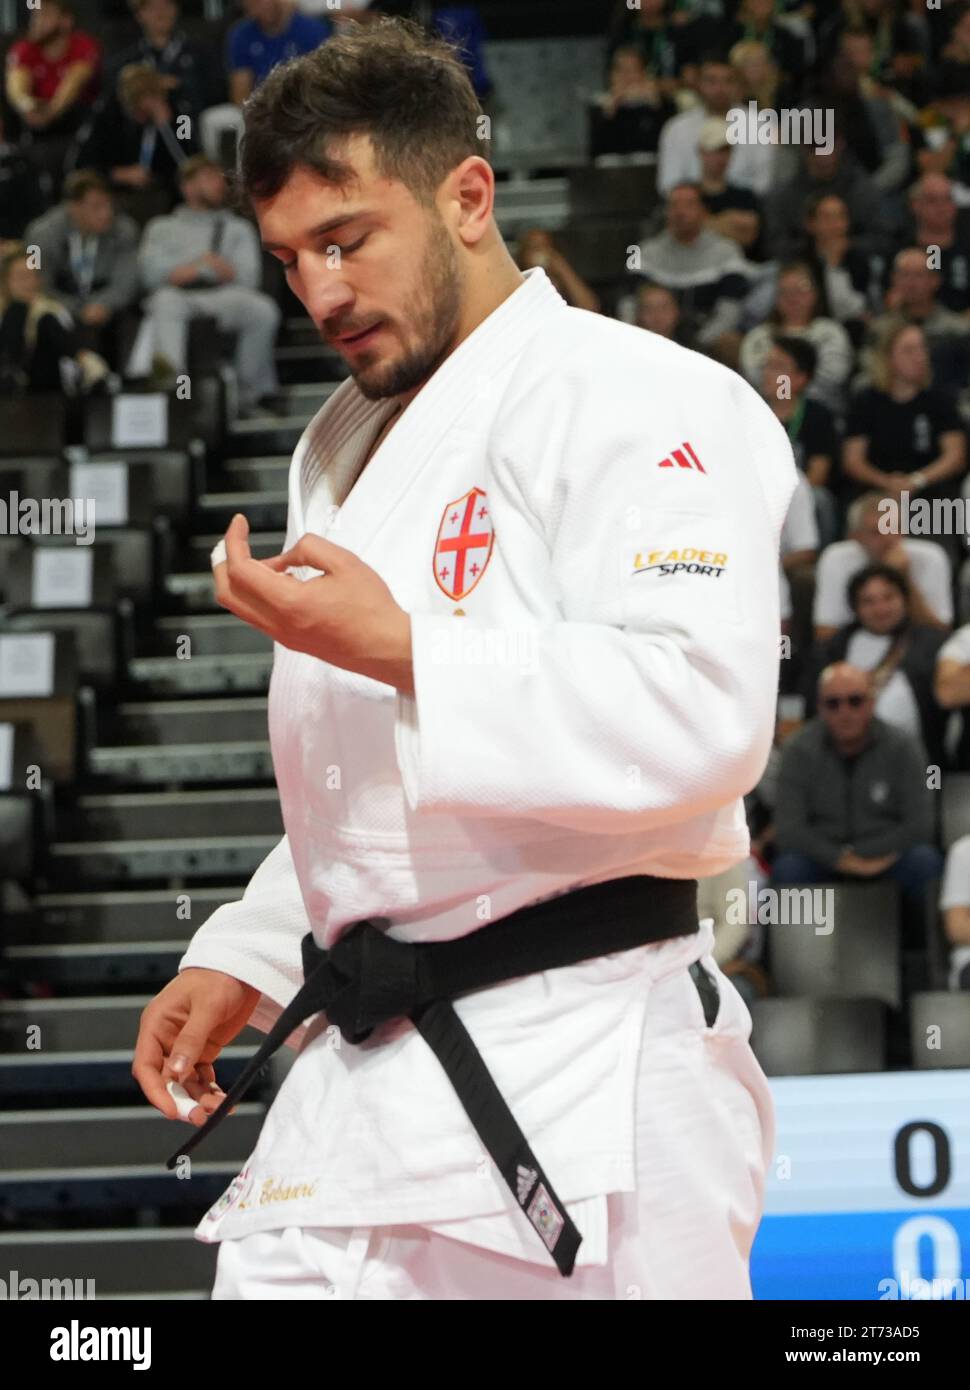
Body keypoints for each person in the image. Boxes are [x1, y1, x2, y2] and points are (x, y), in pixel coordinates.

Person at [132, 17, 797, 1302]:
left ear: (469, 196)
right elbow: (375, 780)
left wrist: (410, 646)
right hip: (357, 1080)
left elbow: (707, 710)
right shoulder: (354, 447)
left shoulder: (637, 395)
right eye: (288, 260)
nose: (319, 295)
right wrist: (256, 949)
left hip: (590, 1065)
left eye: (347, 241)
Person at [773, 662, 942, 911]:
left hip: (888, 855)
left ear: (871, 703)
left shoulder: (903, 747)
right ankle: (794, 950)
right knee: (789, 868)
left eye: (855, 701)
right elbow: (789, 830)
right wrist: (840, 858)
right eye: (833, 703)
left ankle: (926, 949)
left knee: (925, 862)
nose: (845, 712)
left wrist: (866, 855)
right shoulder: (797, 750)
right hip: (822, 857)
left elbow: (921, 825)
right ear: (820, 707)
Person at [133, 155, 280, 410]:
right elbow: (149, 276)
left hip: (224, 297)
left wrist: (192, 270)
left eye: (218, 179)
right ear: (187, 187)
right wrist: (203, 266)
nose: (218, 184)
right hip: (178, 297)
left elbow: (249, 279)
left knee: (262, 309)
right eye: (208, 178)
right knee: (164, 302)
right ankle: (173, 392)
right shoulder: (162, 227)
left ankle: (250, 396)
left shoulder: (237, 228)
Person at [805, 564, 949, 767]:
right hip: (842, 761)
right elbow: (813, 704)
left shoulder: (932, 644)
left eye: (888, 598)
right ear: (855, 608)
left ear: (904, 600)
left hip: (919, 761)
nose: (880, 609)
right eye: (868, 601)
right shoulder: (833, 648)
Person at [843, 319, 967, 509]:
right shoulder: (865, 400)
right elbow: (853, 460)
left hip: (930, 492)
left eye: (922, 348)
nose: (919, 357)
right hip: (876, 492)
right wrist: (886, 482)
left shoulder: (940, 399)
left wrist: (916, 480)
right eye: (909, 350)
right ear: (887, 357)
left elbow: (955, 455)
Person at [24, 169, 140, 367]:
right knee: (45, 316)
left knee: (131, 313)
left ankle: (127, 379)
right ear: (74, 207)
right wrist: (76, 310)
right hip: (61, 302)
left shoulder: (124, 230)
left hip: (106, 304)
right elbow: (37, 284)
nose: (107, 213)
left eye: (108, 205)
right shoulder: (41, 235)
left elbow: (127, 280)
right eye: (96, 207)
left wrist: (104, 304)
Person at [813, 491, 954, 642]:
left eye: (894, 528)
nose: (889, 539)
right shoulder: (836, 558)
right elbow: (825, 634)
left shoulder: (930, 557)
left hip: (914, 651)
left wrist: (903, 577)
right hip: (855, 648)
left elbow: (941, 632)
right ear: (855, 537)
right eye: (876, 532)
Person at [4, 0, 101, 200]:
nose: (36, 22)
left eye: (44, 16)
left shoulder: (82, 45)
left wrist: (52, 111)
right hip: (35, 134)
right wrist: (27, 106)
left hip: (76, 132)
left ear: (65, 21)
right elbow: (16, 86)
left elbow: (72, 85)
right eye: (35, 16)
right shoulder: (25, 47)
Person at [0, 242, 108, 396]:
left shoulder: (52, 310)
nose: (27, 283)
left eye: (31, 276)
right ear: (6, 281)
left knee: (45, 319)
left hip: (45, 387)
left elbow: (65, 346)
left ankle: (89, 363)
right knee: (16, 311)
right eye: (20, 277)